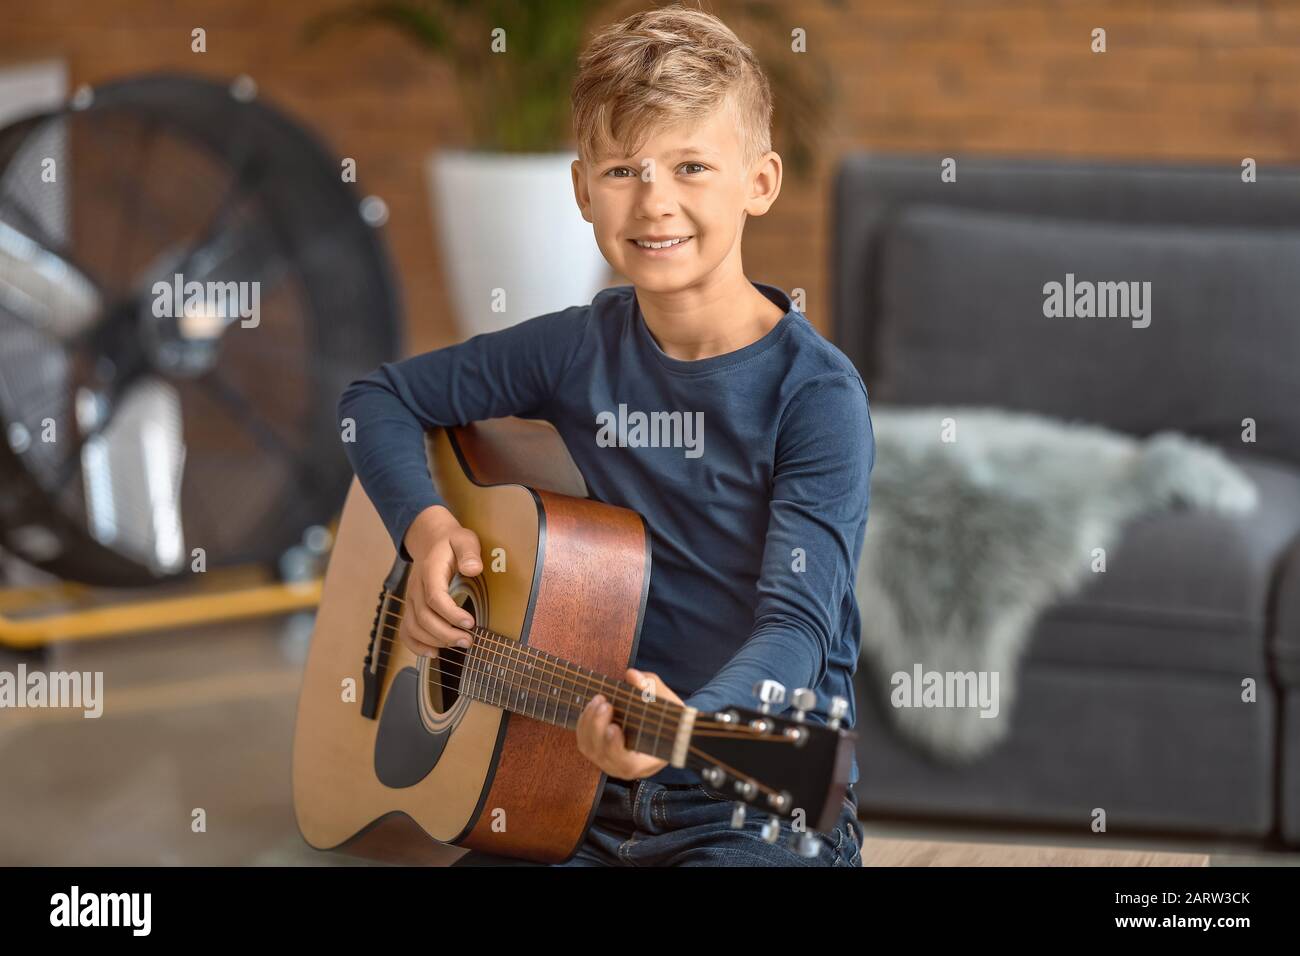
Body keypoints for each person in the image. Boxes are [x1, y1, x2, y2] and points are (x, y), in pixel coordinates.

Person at [338, 3, 873, 867]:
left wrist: (680, 729)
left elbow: (796, 635)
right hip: (559, 792)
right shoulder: (578, 345)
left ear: (761, 182)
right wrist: (426, 529)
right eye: (624, 169)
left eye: (692, 165)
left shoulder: (816, 397)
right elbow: (376, 399)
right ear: (584, 189)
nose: (656, 202)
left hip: (746, 801)